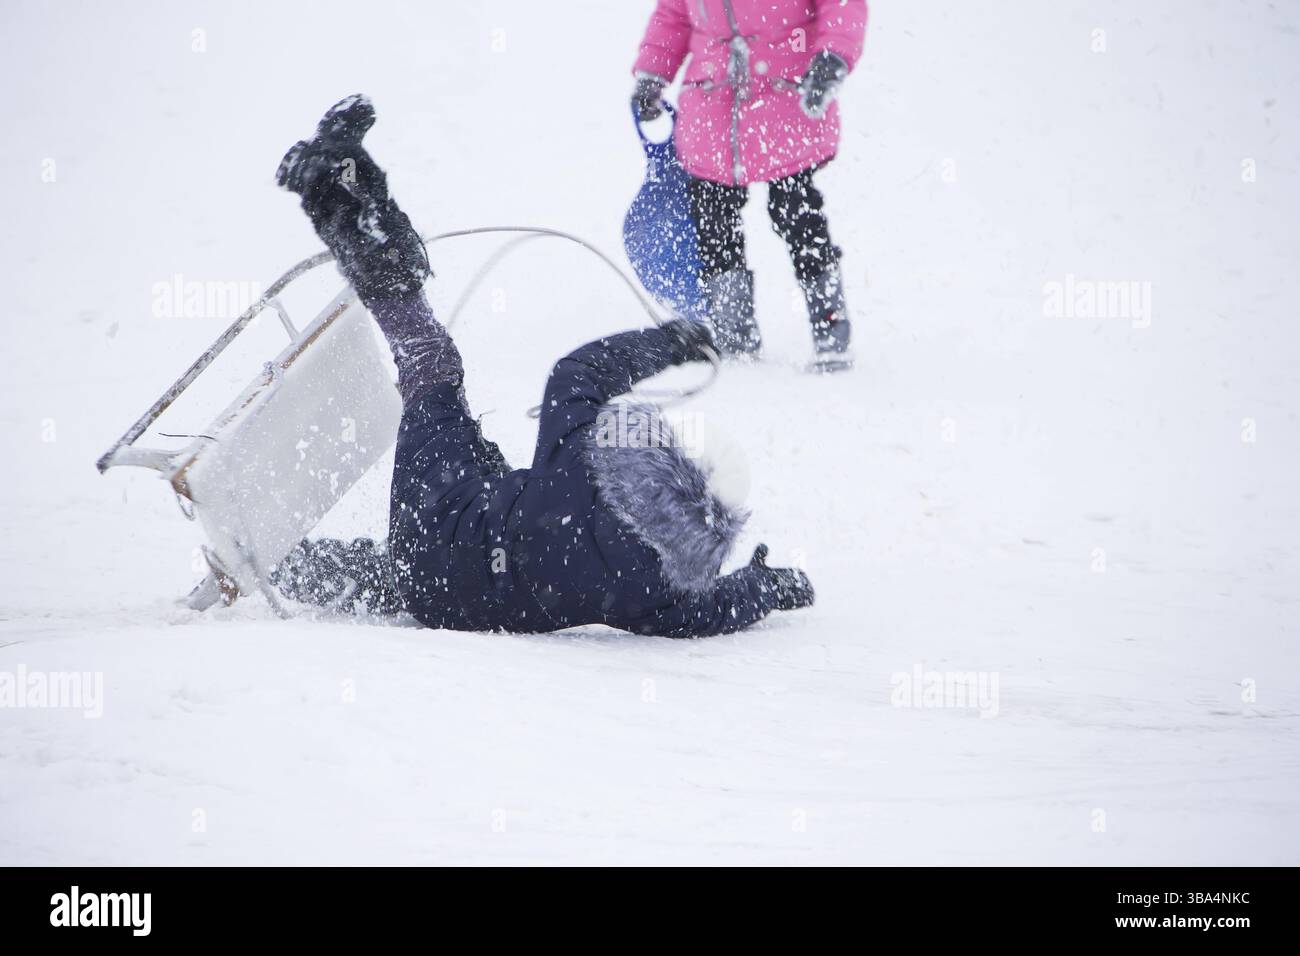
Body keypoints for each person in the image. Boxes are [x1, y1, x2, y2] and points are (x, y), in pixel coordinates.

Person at [270, 96, 814, 637]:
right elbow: (717, 606)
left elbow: (575, 374)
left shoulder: (583, 463)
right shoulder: (662, 593)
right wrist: (771, 585)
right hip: (445, 597)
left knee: (430, 362)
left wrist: (669, 343)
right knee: (429, 556)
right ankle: (286, 569)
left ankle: (332, 193)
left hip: (443, 517)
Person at [631, 0, 867, 366]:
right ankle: (733, 334)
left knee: (797, 214)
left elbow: (842, 6)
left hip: (786, 102)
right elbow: (673, 16)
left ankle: (830, 322)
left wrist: (832, 55)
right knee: (713, 221)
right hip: (713, 110)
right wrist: (651, 74)